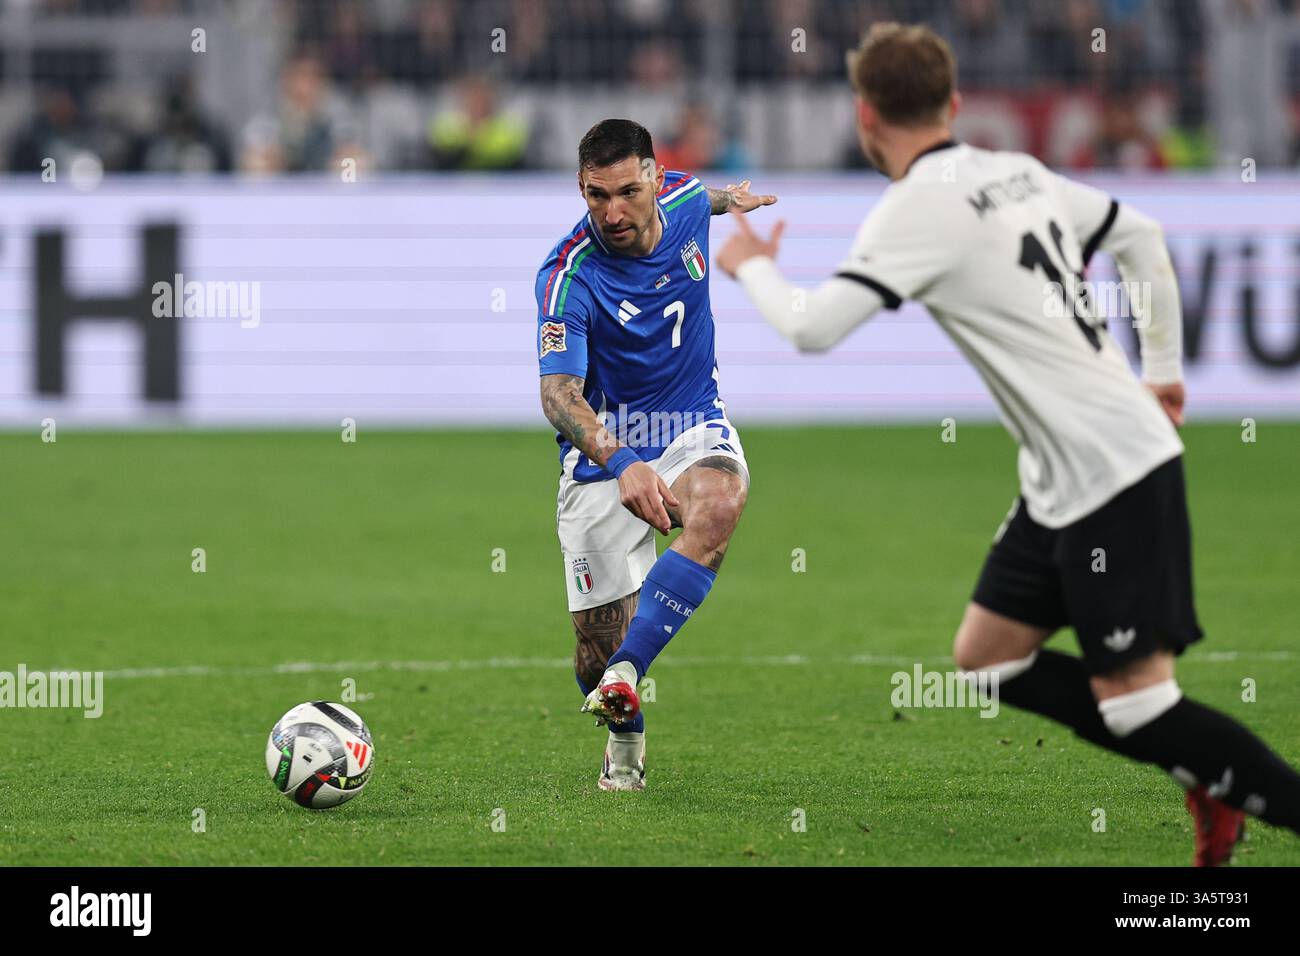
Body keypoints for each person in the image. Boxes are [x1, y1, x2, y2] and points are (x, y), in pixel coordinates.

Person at [717, 22, 1300, 865]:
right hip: (1061, 480)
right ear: (953, 102)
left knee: (1140, 705)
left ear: (865, 116)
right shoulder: (1014, 170)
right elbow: (1141, 236)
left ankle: (1222, 774)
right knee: (987, 659)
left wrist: (748, 266)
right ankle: (1203, 770)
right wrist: (1164, 369)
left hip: (1114, 472)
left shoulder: (913, 208)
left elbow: (810, 329)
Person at [535, 118, 775, 790]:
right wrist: (622, 464)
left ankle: (628, 672)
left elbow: (705, 200)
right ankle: (621, 713)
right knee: (593, 645)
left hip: (690, 419)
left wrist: (734, 198)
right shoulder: (566, 278)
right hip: (602, 455)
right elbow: (558, 397)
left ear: (655, 180)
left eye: (627, 192)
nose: (613, 212)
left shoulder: (687, 199)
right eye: (595, 196)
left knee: (721, 500)